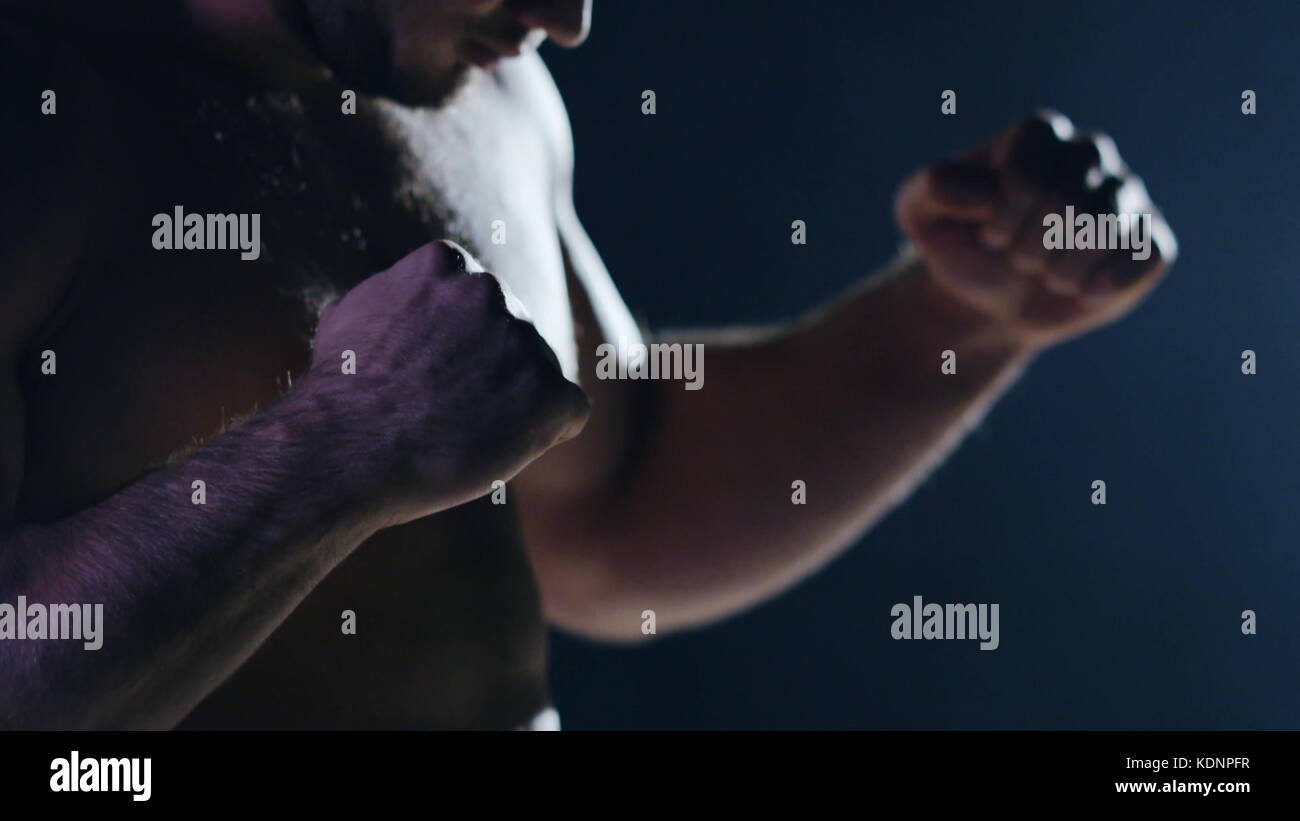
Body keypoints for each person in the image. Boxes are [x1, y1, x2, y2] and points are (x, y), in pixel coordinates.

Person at [0, 0, 1175, 729]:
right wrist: (343, 443)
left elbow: (606, 509)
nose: (569, 19)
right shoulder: (40, 104)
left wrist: (965, 321)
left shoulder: (485, 86)